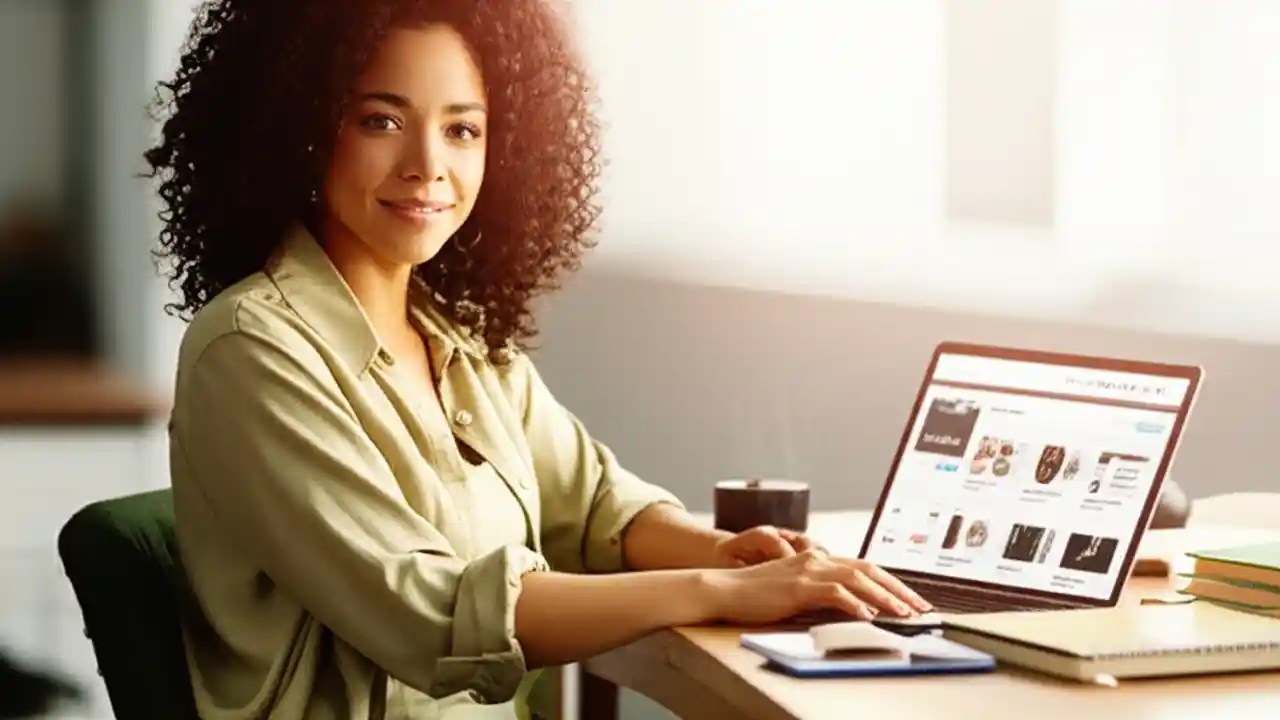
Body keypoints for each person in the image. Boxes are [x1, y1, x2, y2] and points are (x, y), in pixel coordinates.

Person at [145, 1, 929, 718]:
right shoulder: (250, 351)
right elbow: (436, 612)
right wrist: (723, 589)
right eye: (381, 121)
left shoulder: (458, 340)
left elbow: (590, 503)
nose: (428, 165)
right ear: (305, 126)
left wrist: (727, 551)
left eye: (462, 129)